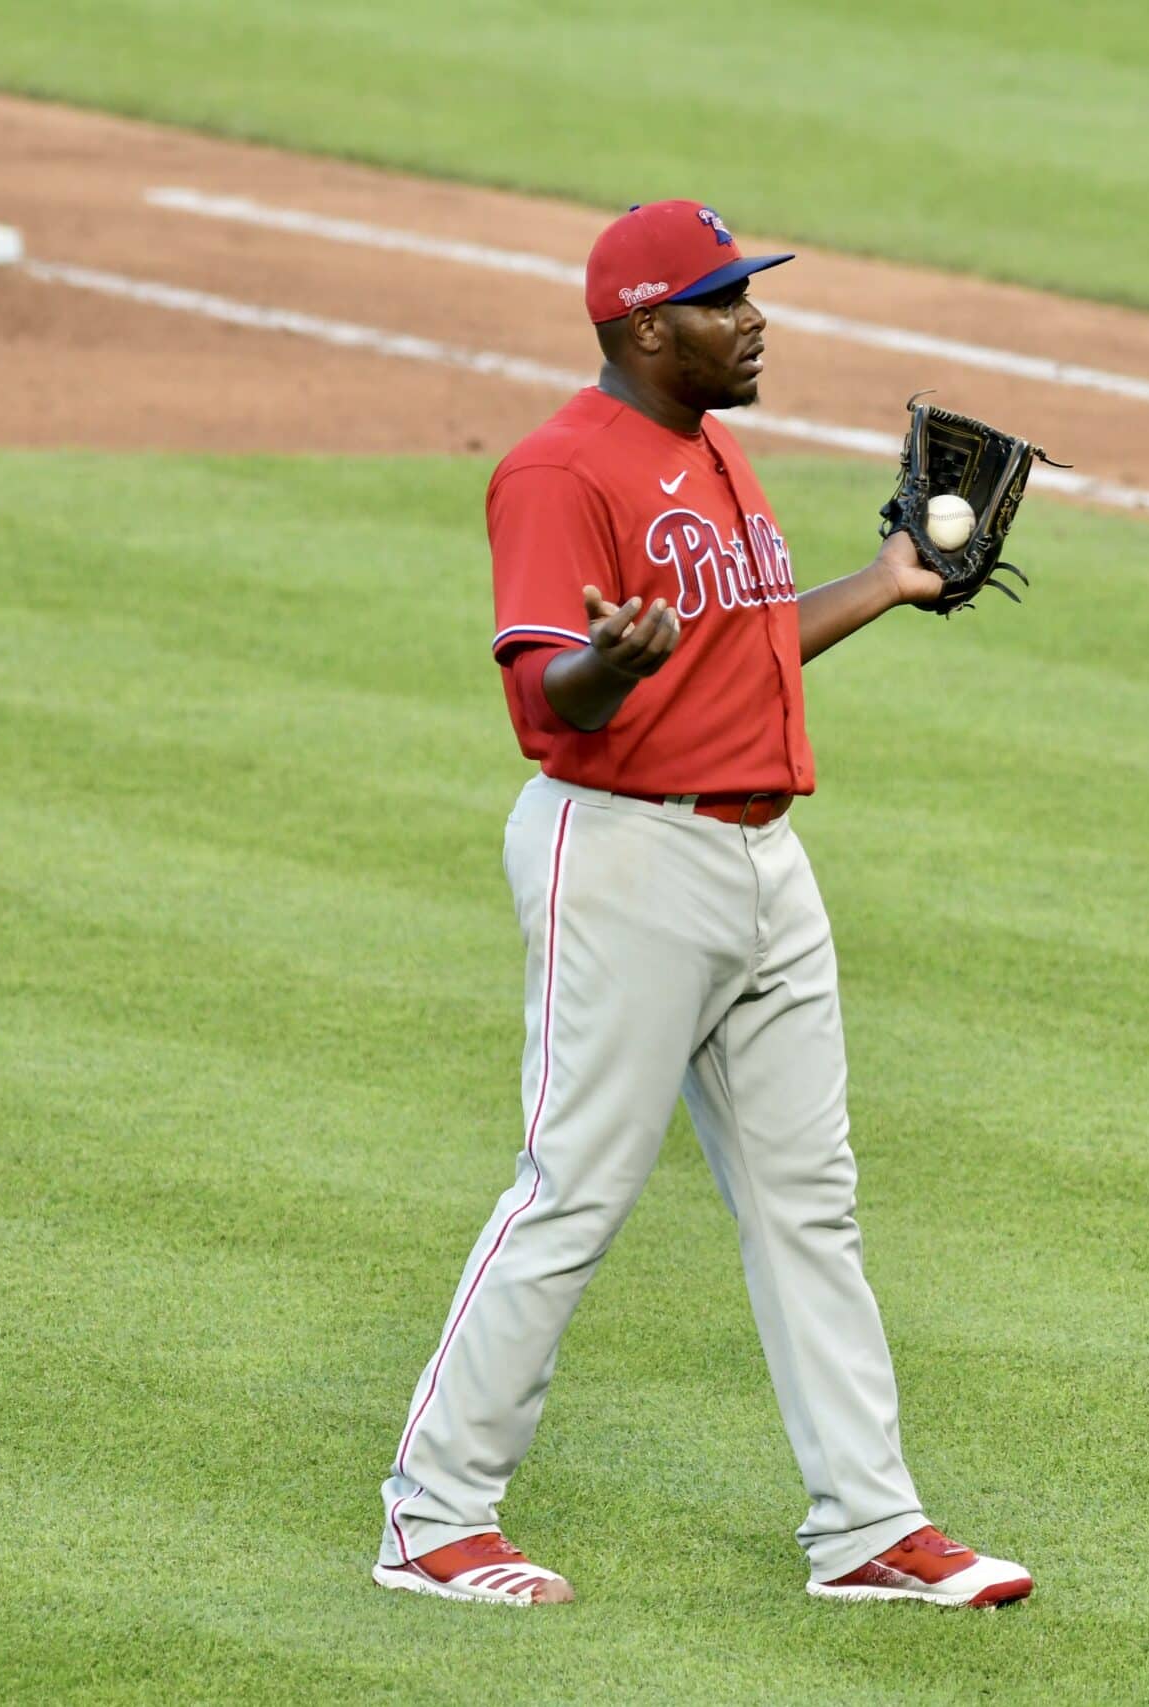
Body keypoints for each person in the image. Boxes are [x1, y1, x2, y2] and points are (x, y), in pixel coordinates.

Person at [371, 200, 1031, 1611]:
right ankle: (433, 1517)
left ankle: (867, 1524)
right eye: (724, 300)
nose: (754, 319)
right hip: (626, 856)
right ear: (646, 328)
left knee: (810, 1202)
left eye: (749, 293)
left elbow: (747, 647)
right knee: (572, 1191)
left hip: (764, 861)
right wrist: (609, 664)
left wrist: (887, 581)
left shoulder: (714, 446)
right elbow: (545, 701)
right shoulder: (558, 471)